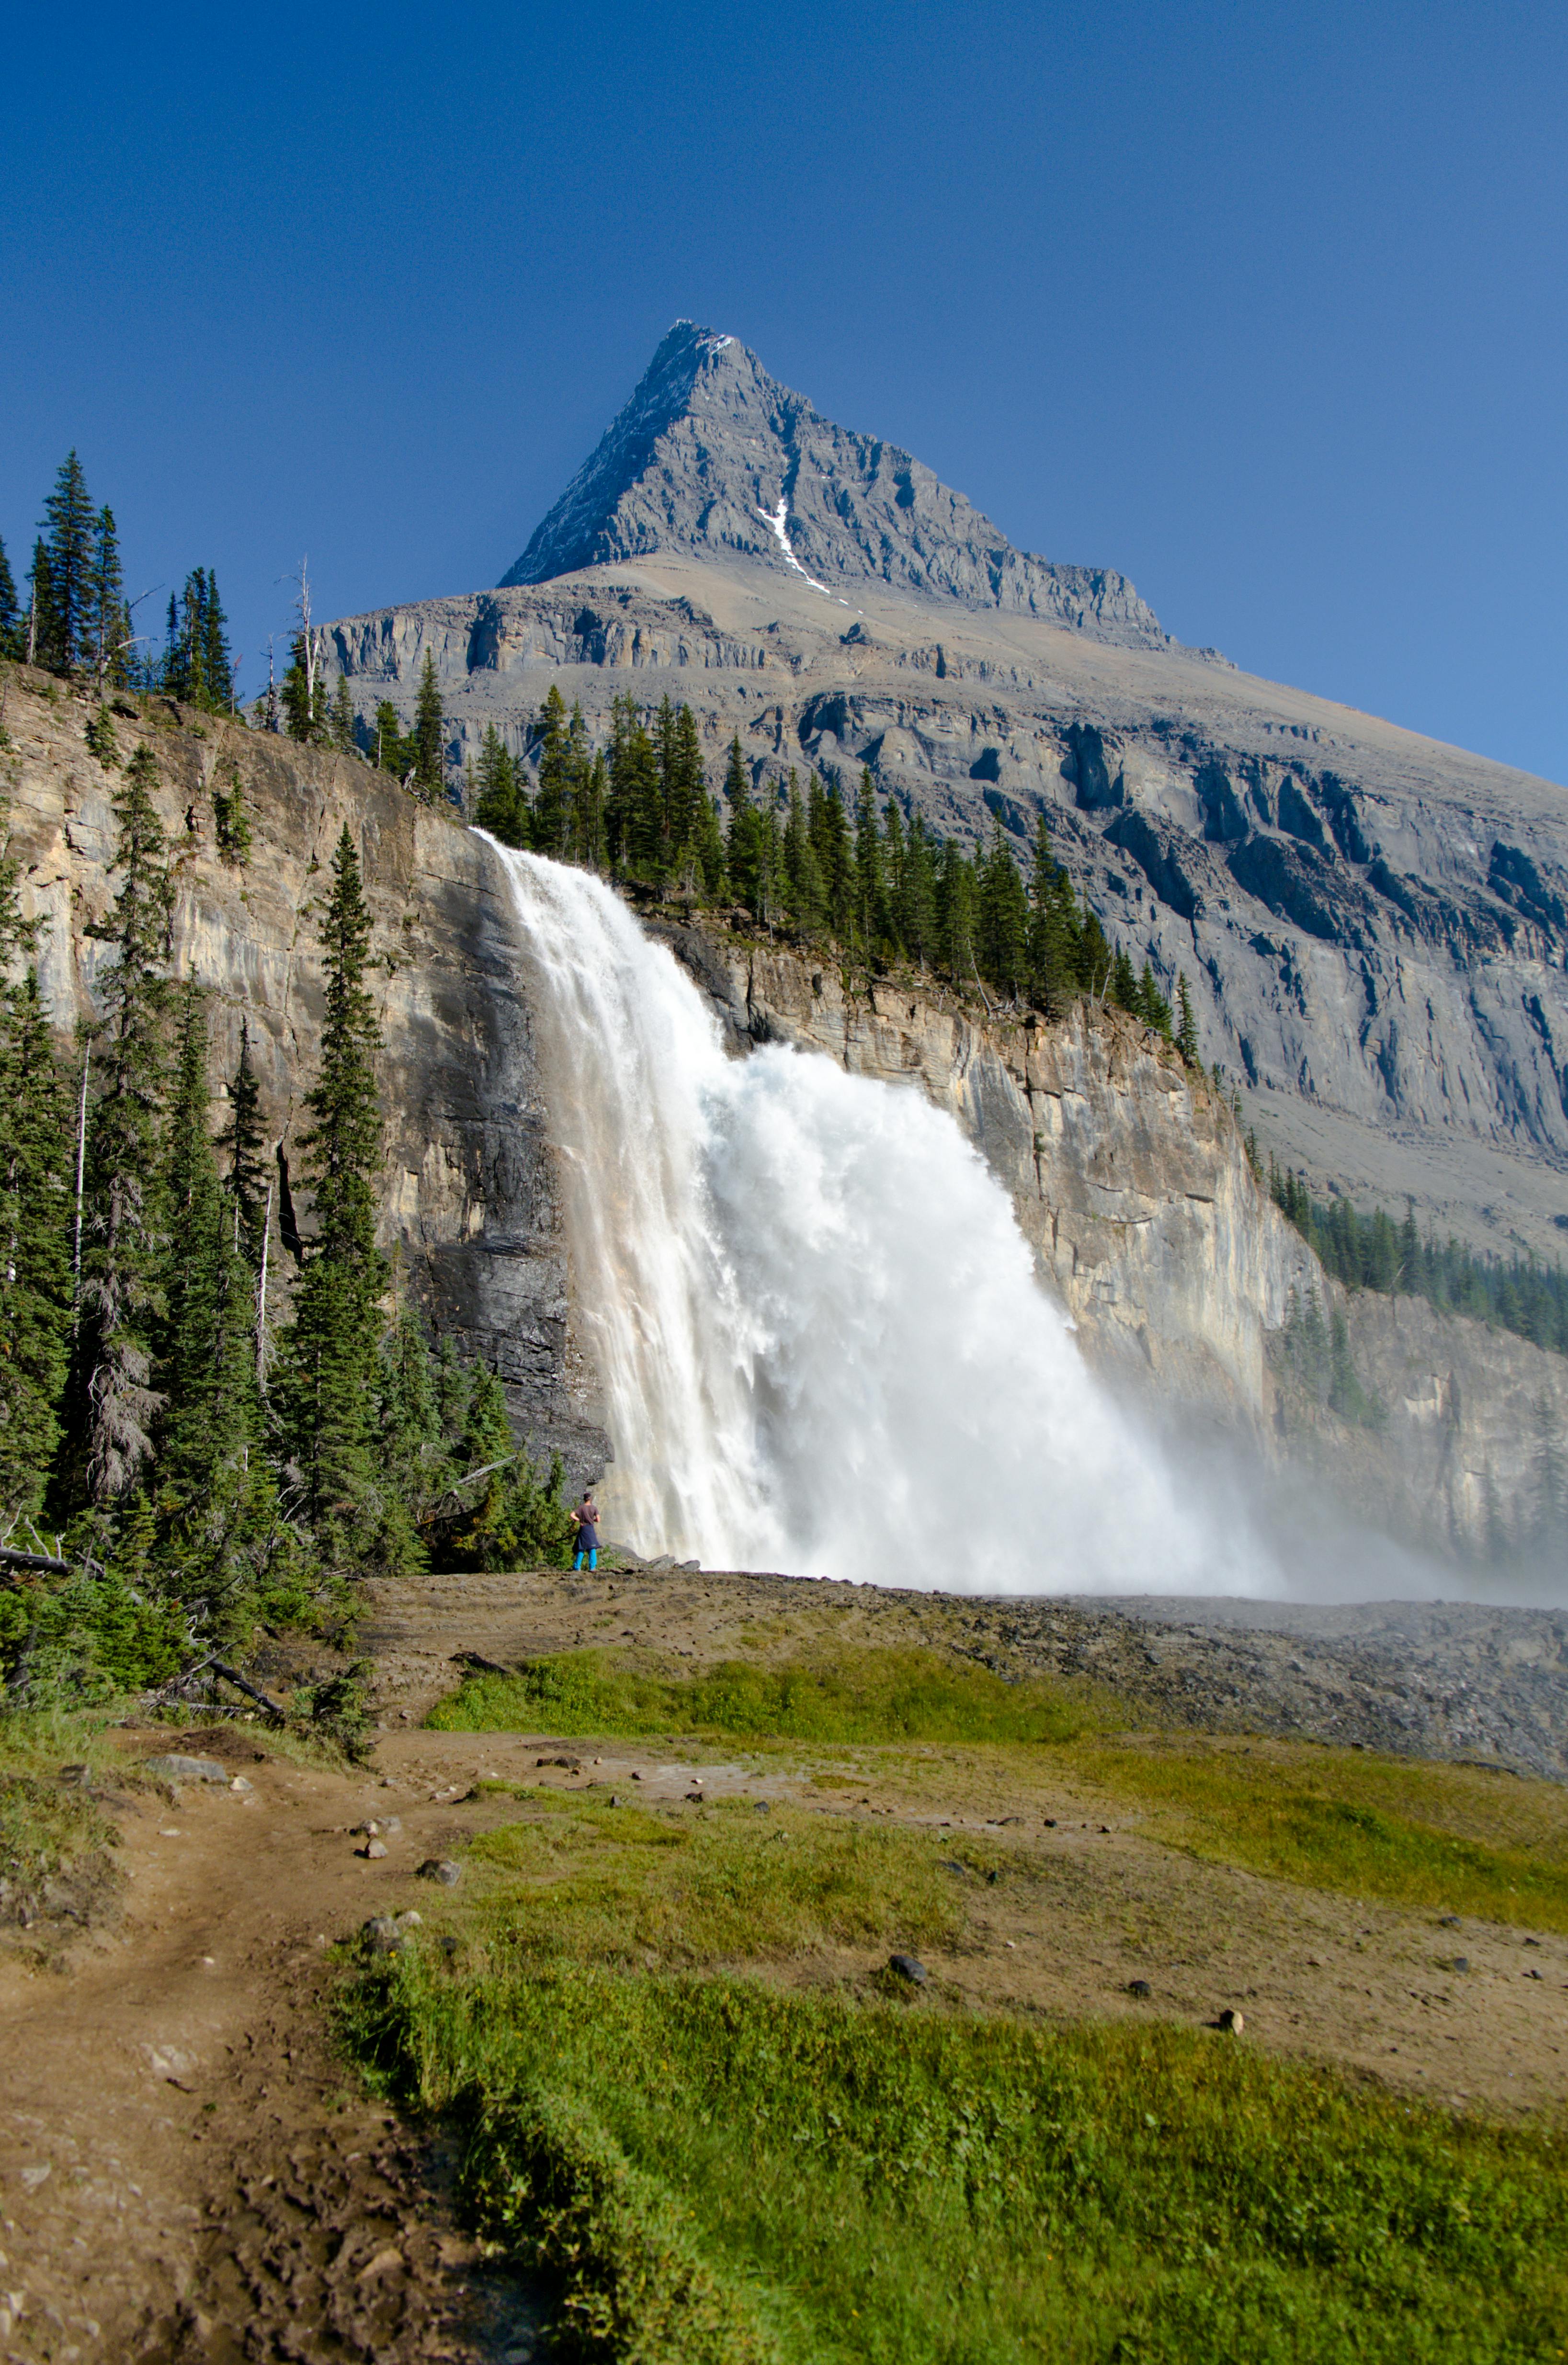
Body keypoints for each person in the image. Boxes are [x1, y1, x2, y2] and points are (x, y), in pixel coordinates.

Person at [570, 1490, 601, 1573]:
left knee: (581, 1548)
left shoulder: (581, 1508)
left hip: (583, 1529)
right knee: (592, 1548)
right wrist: (592, 1520)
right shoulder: (594, 1508)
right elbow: (598, 1520)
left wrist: (579, 1519)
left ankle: (577, 1567)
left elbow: (572, 1515)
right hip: (590, 1529)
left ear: (584, 1499)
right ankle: (592, 1567)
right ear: (590, 1499)